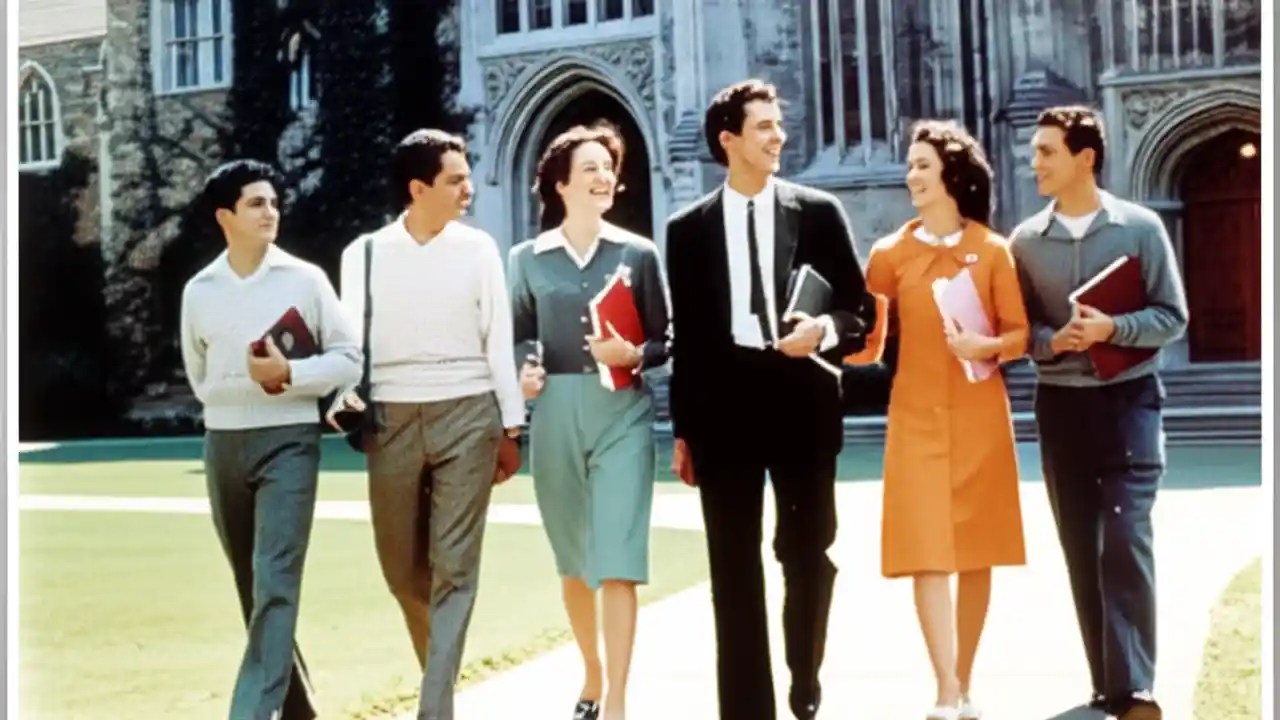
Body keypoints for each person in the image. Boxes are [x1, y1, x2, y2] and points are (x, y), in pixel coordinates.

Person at [664, 78, 877, 720]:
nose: (777, 135)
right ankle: (746, 711)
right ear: (729, 140)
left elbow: (859, 309)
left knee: (807, 554)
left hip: (802, 403)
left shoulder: (818, 212)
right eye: (763, 126)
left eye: (777, 124)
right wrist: (683, 430)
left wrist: (824, 331)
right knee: (731, 572)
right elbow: (691, 341)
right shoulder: (688, 229)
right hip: (723, 409)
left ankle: (804, 681)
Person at [335, 129, 525, 720]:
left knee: (455, 569)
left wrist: (512, 428)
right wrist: (343, 400)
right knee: (401, 572)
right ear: (418, 188)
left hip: (470, 413)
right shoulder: (363, 253)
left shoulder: (479, 250)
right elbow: (348, 343)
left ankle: (434, 709)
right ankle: (440, 680)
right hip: (390, 417)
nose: (469, 188)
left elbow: (500, 341)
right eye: (455, 180)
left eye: (467, 177)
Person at [1010, 105, 1188, 720]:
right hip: (1060, 407)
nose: (1034, 162)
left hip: (1130, 403)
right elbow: (1019, 327)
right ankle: (1107, 684)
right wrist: (1049, 342)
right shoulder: (1026, 241)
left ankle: (1135, 686)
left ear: (1085, 157)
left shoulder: (1140, 228)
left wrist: (1115, 326)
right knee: (1081, 548)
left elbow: (1173, 316)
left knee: (1125, 537)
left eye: (1046, 152)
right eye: (1034, 152)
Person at [180, 159, 362, 720]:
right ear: (224, 216)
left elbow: (349, 358)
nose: (271, 211)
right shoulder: (199, 290)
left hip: (289, 440)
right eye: (257, 203)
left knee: (276, 580)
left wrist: (290, 377)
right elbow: (198, 372)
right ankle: (300, 711)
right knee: (252, 590)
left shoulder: (305, 280)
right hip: (224, 444)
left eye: (274, 202)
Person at [862, 120, 1028, 720]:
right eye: (910, 166)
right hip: (915, 416)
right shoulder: (888, 256)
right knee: (927, 550)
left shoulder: (993, 250)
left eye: (923, 165)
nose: (912, 176)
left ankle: (966, 677)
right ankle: (944, 689)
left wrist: (984, 347)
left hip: (981, 413)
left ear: (953, 174)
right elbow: (870, 341)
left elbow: (1019, 334)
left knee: (975, 549)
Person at [508, 122, 671, 720]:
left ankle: (622, 702)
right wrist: (522, 372)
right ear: (559, 183)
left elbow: (665, 339)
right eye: (591, 168)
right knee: (574, 560)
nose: (604, 177)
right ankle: (594, 677)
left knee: (618, 558)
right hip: (553, 416)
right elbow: (517, 335)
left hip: (621, 411)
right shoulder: (525, 259)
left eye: (609, 166)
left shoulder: (638, 253)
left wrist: (635, 356)